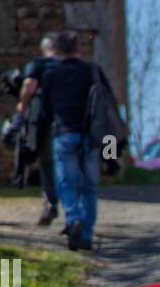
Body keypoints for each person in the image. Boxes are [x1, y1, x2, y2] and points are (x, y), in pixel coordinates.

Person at [39, 31, 114, 251]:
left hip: (64, 134)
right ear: (78, 48)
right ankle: (87, 235)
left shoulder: (51, 74)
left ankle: (73, 218)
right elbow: (107, 105)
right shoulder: (92, 71)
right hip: (91, 136)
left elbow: (45, 108)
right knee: (89, 187)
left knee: (66, 183)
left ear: (57, 50)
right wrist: (110, 151)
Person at [14, 35, 61, 226]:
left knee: (47, 164)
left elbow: (29, 85)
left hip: (45, 122)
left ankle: (51, 202)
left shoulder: (39, 65)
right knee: (67, 165)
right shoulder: (77, 67)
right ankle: (74, 211)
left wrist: (22, 105)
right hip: (72, 123)